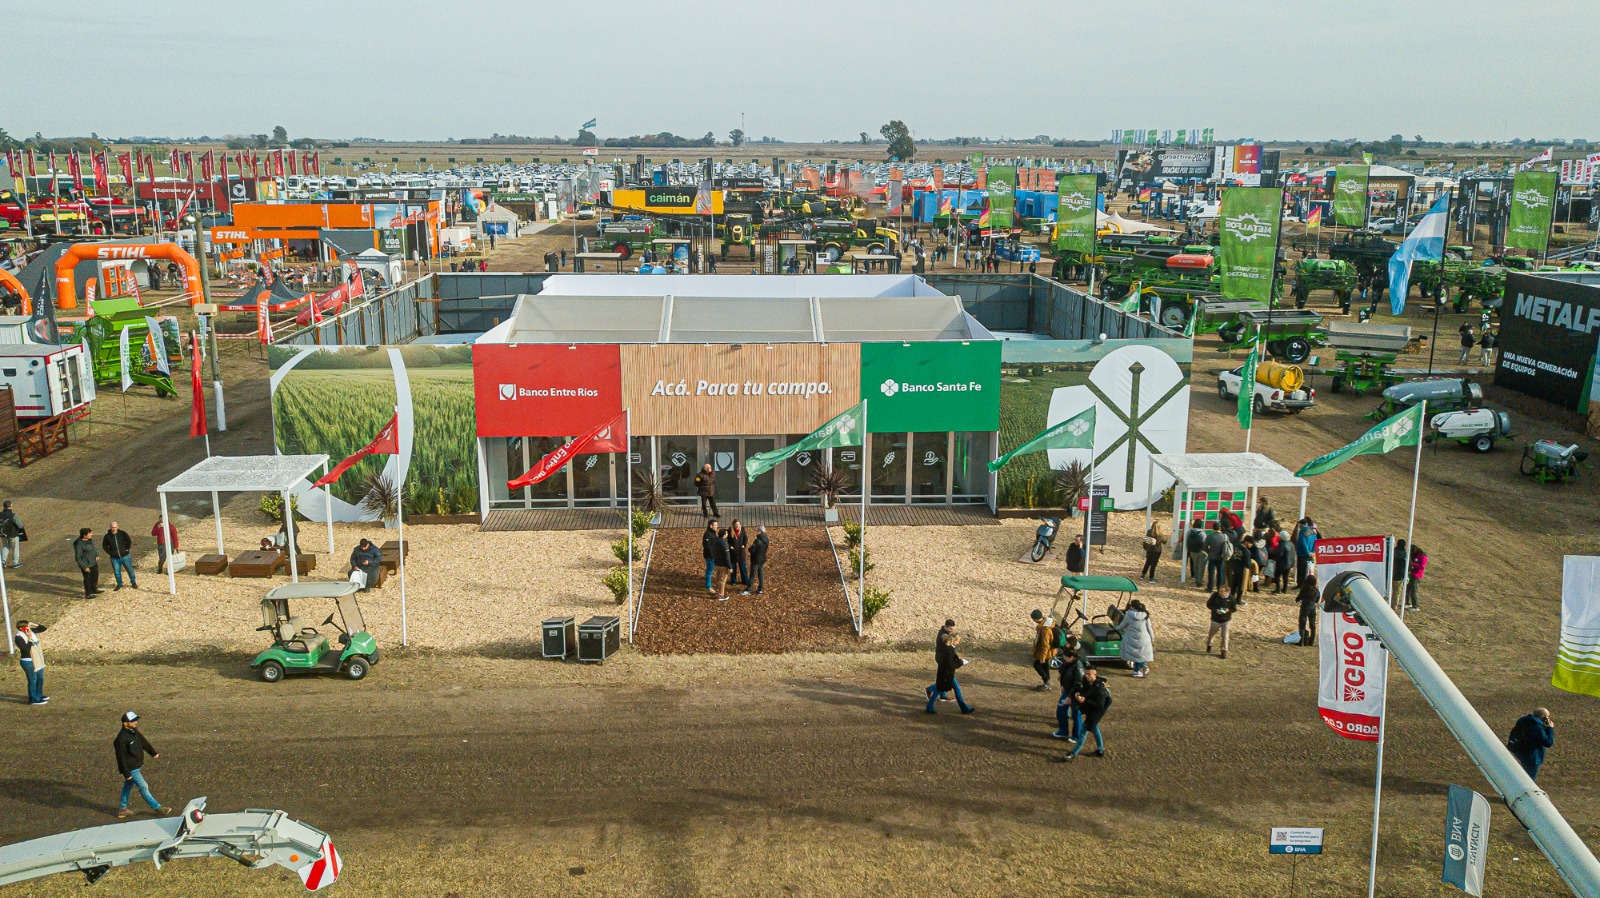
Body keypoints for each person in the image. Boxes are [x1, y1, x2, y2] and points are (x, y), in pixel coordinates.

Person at [114, 711, 172, 818]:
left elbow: (143, 742)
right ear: (125, 723)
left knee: (128, 786)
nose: (135, 722)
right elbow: (121, 758)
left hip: (135, 766)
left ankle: (123, 809)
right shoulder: (121, 739)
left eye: (135, 720)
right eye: (133, 721)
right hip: (131, 768)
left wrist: (153, 753)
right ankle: (158, 808)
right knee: (143, 786)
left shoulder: (134, 731)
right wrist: (127, 773)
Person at [1057, 667, 1110, 761]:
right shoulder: (1088, 683)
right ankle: (1100, 750)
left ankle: (1073, 753)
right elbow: (1083, 690)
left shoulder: (1099, 688)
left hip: (1095, 713)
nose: (1087, 676)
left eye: (1089, 674)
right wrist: (1079, 693)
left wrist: (1085, 700)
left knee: (1083, 732)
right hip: (1090, 711)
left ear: (1095, 674)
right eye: (1086, 674)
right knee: (1095, 730)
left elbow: (1100, 705)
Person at [925, 628, 974, 714]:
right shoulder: (949, 650)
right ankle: (964, 708)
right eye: (957, 641)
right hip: (947, 674)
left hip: (944, 673)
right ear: (954, 640)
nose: (958, 643)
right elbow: (951, 665)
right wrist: (961, 663)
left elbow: (949, 660)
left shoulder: (947, 647)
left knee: (939, 689)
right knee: (950, 689)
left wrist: (958, 660)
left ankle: (929, 706)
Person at [1506, 708, 1555, 781]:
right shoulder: (1537, 727)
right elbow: (1548, 742)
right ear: (1543, 717)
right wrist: (1550, 729)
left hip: (1518, 753)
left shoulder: (1523, 721)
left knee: (1518, 776)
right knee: (1529, 780)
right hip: (1532, 757)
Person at [1052, 646, 1086, 740]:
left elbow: (1078, 683)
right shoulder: (1069, 663)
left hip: (1074, 693)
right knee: (1061, 711)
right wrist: (1063, 685)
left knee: (1075, 714)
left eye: (1066, 657)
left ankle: (1077, 736)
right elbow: (1065, 672)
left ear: (1072, 657)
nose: (1064, 659)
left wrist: (1070, 696)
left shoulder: (1078, 667)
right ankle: (1063, 731)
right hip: (1067, 690)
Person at [1118, 599, 1154, 677]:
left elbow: (1122, 626)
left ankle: (1138, 669)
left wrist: (1115, 628)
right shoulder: (1145, 615)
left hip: (1131, 637)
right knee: (1140, 655)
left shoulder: (1128, 615)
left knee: (1135, 655)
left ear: (1132, 607)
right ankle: (1139, 668)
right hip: (1143, 638)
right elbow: (1149, 628)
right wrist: (1152, 638)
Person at [15, 620, 47, 705]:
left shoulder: (31, 632)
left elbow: (43, 628)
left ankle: (39, 695)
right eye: (27, 626)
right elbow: (25, 649)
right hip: (28, 661)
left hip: (37, 659)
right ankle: (33, 699)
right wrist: (29, 639)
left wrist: (33, 624)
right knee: (33, 679)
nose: (29, 628)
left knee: (40, 677)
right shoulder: (19, 637)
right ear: (22, 628)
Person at [101, 522, 137, 590]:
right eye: (112, 527)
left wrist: (126, 549)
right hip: (114, 558)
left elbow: (129, 541)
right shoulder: (107, 536)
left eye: (115, 527)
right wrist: (110, 553)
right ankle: (119, 584)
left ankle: (133, 582)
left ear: (117, 527)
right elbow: (104, 546)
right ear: (110, 527)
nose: (113, 529)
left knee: (130, 570)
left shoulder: (122, 533)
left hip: (125, 556)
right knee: (117, 572)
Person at [1206, 584, 1237, 659]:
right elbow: (1208, 604)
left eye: (1222, 591)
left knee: (1225, 636)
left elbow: (1234, 609)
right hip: (1215, 619)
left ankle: (1224, 650)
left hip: (1226, 620)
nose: (1220, 592)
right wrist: (1215, 610)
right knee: (1212, 633)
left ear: (1227, 592)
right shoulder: (1214, 596)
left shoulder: (1231, 598)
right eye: (1219, 591)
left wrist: (1228, 611)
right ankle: (1209, 644)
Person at [1029, 610, 1056, 690]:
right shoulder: (1044, 624)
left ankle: (1047, 682)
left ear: (1036, 619)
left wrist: (1042, 657)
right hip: (1048, 651)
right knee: (1045, 666)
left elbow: (1045, 645)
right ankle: (1046, 683)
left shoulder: (1045, 629)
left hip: (1046, 652)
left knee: (1037, 665)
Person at [74, 527, 101, 598]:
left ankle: (94, 589)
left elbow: (93, 549)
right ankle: (88, 593)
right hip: (86, 564)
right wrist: (84, 567)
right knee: (87, 579)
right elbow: (77, 557)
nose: (91, 534)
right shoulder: (79, 544)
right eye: (89, 533)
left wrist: (96, 555)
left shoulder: (89, 540)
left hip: (93, 562)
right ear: (84, 535)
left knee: (95, 576)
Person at [1203, 521, 1229, 592]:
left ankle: (1210, 588)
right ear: (1220, 528)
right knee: (1220, 573)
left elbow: (1204, 547)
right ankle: (1219, 588)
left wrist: (1209, 552)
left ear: (1213, 528)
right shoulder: (1224, 536)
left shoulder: (1210, 537)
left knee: (1211, 573)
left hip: (1212, 557)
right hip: (1221, 557)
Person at [1295, 574, 1320, 647]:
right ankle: (1311, 641)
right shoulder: (1316, 590)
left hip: (1305, 606)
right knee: (1312, 625)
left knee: (1302, 624)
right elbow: (1317, 600)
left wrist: (1298, 599)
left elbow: (1298, 598)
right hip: (1312, 607)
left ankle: (1301, 642)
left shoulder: (1304, 589)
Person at [1293, 518, 1319, 586]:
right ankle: (1305, 584)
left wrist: (1307, 552)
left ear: (1303, 525)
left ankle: (1300, 584)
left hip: (1302, 554)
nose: (1299, 526)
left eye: (1300, 525)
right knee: (1307, 570)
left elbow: (1303, 543)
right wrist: (1312, 551)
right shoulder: (1312, 532)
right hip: (1310, 554)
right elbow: (1315, 542)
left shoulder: (1302, 533)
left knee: (1301, 570)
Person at [0, 499, 24, 568]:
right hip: (13, 534)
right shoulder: (13, 515)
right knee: (15, 548)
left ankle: (2, 561)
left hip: (3, 534)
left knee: (5, 546)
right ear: (10, 506)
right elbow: (20, 525)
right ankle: (15, 563)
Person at [745, 525, 768, 595]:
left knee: (752, 574)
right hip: (762, 559)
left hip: (756, 560)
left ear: (760, 531)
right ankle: (760, 589)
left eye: (757, 530)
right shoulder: (766, 539)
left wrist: (749, 548)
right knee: (761, 573)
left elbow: (752, 550)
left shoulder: (757, 540)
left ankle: (749, 589)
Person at [711, 527, 732, 601]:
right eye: (726, 533)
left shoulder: (715, 541)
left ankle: (717, 592)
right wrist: (730, 566)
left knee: (717, 579)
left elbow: (712, 550)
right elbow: (727, 556)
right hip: (723, 565)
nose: (727, 534)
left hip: (716, 563)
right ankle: (721, 595)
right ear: (724, 535)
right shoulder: (724, 543)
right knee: (722, 580)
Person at [726, 519, 749, 589]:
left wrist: (744, 545)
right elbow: (727, 541)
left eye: (738, 524)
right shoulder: (730, 531)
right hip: (733, 553)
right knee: (733, 568)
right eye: (736, 525)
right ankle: (733, 581)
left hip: (741, 552)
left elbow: (746, 538)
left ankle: (745, 580)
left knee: (743, 568)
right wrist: (730, 546)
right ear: (733, 525)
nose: (737, 526)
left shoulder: (742, 530)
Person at [1406, 544, 1428, 611]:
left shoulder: (1423, 556)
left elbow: (1422, 567)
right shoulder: (1414, 555)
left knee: (1413, 591)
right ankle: (1407, 603)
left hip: (1416, 575)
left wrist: (1413, 564)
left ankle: (1415, 606)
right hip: (1411, 574)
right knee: (1408, 589)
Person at [701, 519, 720, 593]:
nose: (717, 526)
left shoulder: (713, 533)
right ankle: (708, 587)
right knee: (709, 570)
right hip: (710, 556)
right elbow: (707, 546)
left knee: (711, 570)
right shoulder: (707, 534)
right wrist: (713, 555)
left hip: (713, 555)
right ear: (711, 526)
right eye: (715, 525)